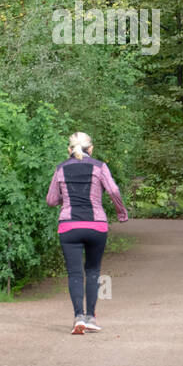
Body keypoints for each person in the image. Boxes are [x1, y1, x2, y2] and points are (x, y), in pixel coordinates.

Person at [45, 131, 127, 334]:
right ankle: (91, 317)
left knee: (74, 273)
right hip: (96, 226)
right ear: (91, 149)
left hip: (69, 227)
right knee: (92, 271)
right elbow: (114, 191)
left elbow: (51, 200)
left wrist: (67, 199)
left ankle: (78, 317)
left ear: (69, 150)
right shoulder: (100, 167)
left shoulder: (61, 169)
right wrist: (121, 213)